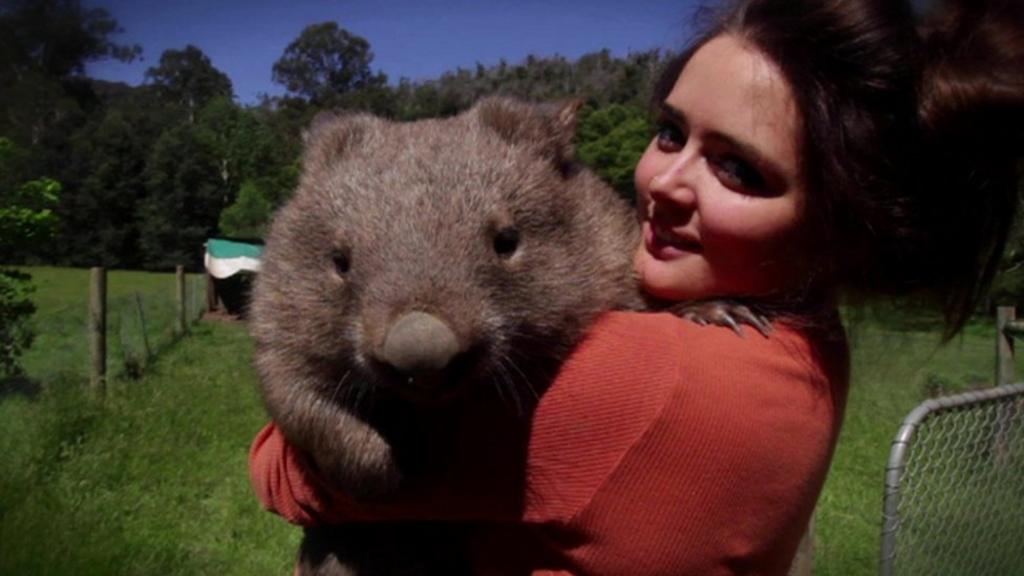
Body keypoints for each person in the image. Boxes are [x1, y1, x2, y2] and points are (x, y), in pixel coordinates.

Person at [250, 0, 1024, 573]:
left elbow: (287, 477)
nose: (664, 182)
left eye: (740, 169)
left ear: (841, 223)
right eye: (670, 132)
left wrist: (299, 440)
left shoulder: (645, 386)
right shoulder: (804, 340)